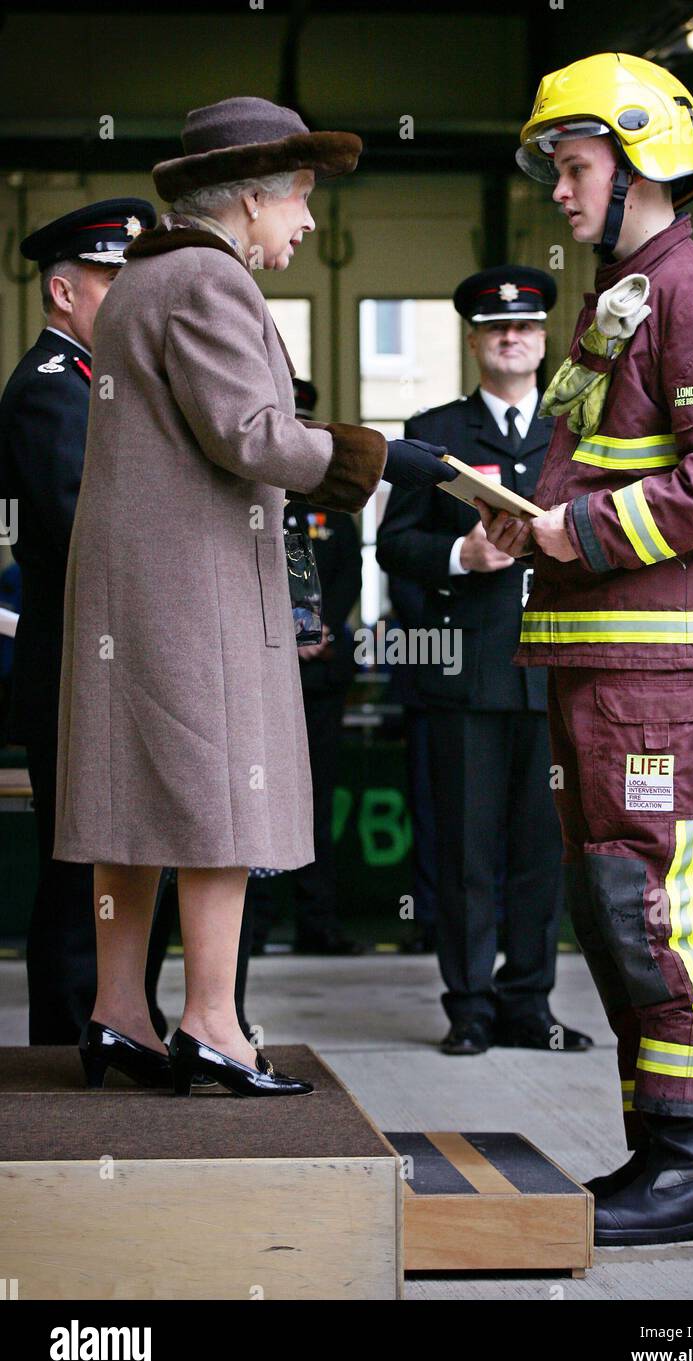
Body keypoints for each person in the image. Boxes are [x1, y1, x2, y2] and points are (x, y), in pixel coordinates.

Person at [52, 97, 453, 1098]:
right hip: (197, 592)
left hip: (138, 586)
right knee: (222, 800)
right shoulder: (209, 281)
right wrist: (381, 454)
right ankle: (213, 1024)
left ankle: (118, 1012)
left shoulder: (145, 278)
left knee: (131, 799)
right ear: (252, 196)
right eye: (300, 199)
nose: (308, 222)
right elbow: (253, 434)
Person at [477, 54, 693, 1243]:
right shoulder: (626, 293)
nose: (557, 191)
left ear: (640, 161)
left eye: (573, 166)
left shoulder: (689, 291)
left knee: (659, 901)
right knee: (616, 902)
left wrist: (582, 531)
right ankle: (659, 1149)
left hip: (658, 670)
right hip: (604, 662)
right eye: (557, 170)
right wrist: (534, 520)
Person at [377, 266, 592, 1056]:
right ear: (474, 339)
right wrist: (461, 555)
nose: (512, 337)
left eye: (527, 327)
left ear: (543, 341)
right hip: (464, 676)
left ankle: (528, 1005)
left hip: (553, 673)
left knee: (542, 854)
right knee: (464, 854)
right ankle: (468, 1006)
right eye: (497, 327)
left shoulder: (577, 430)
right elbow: (394, 544)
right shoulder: (434, 432)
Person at [0, 199, 157, 1043]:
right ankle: (68, 1041)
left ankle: (121, 1023)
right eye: (109, 280)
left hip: (111, 664)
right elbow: (80, 524)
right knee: (79, 867)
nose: (126, 297)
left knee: (123, 857)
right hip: (75, 666)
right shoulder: (52, 388)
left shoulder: (107, 382)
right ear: (63, 291)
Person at [286, 377, 366, 955]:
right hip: (262, 675)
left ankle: (318, 924)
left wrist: (315, 630)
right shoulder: (245, 496)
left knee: (316, 804)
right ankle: (253, 928)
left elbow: (349, 578)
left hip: (320, 680)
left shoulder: (332, 507)